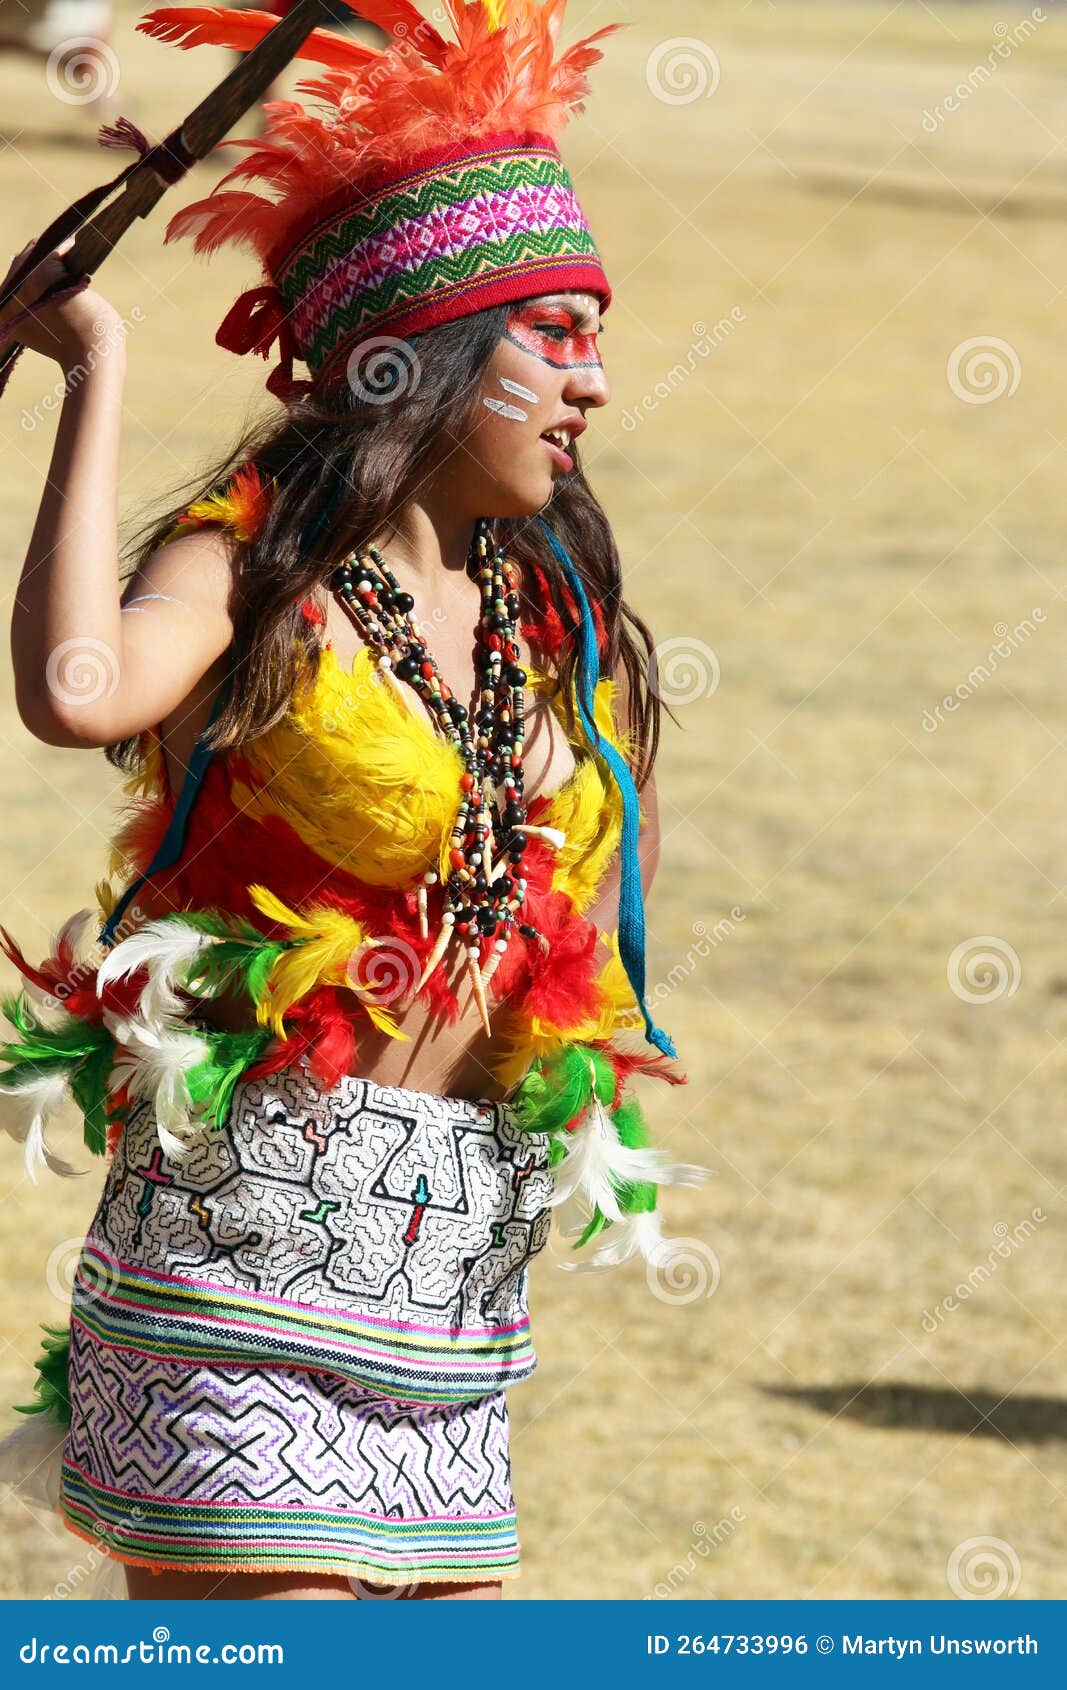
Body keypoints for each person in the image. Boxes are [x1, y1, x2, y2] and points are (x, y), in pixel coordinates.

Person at [0, 0, 706, 1601]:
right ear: (430, 351)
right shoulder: (256, 566)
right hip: (240, 1274)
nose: (595, 380)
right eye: (557, 336)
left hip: (452, 1294)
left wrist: (597, 1011)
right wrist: (91, 369)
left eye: (598, 332)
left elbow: (599, 845)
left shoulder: (550, 600)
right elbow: (74, 693)